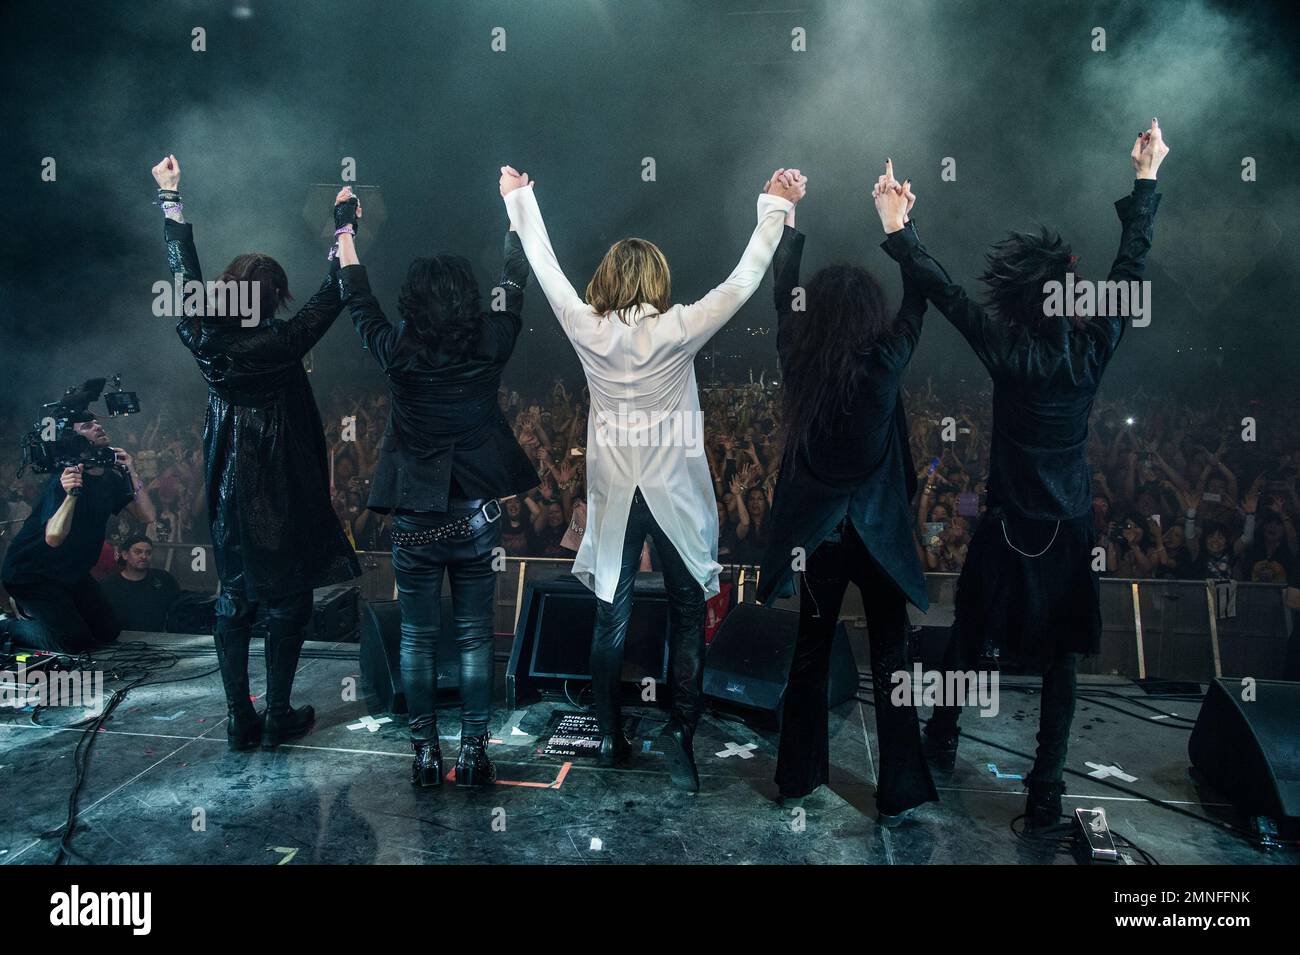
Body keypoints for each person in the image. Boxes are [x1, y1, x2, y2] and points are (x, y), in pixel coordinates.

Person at [878, 119, 1169, 829]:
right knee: (1062, 664)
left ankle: (942, 735)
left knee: (971, 635)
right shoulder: (1094, 346)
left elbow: (946, 294)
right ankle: (1044, 791)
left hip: (1008, 526)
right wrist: (1146, 179)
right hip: (1066, 528)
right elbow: (1130, 269)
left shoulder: (1007, 348)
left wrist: (899, 229)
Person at [501, 162, 804, 790]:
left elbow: (546, 267)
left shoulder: (587, 328)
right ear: (657, 280)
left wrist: (521, 199)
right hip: (673, 494)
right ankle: (682, 736)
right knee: (690, 615)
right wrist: (773, 206)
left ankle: (608, 733)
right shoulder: (678, 328)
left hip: (617, 497)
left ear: (609, 279)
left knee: (610, 615)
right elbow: (744, 279)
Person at [152, 155, 360, 751]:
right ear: (273, 298)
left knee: (235, 595)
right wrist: (343, 221)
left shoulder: (201, 333)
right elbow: (337, 291)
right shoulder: (286, 339)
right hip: (283, 484)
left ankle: (240, 716)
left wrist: (171, 199)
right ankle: (276, 713)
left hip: (228, 488)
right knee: (289, 596)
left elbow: (183, 276)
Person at [334, 186, 537, 788]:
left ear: (414, 303)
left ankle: (425, 755)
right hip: (476, 518)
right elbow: (515, 278)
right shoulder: (492, 342)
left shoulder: (397, 349)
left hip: (416, 521)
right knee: (475, 636)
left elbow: (356, 297)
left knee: (419, 637)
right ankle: (474, 753)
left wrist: (345, 227)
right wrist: (514, 210)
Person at [755, 169, 937, 824]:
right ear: (870, 313)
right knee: (892, 657)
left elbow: (783, 295)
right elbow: (921, 293)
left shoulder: (799, 360)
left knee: (810, 650)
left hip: (819, 539)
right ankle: (900, 787)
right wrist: (897, 225)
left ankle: (799, 774)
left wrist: (786, 215)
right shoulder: (887, 360)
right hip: (879, 535)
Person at [2, 415, 155, 652]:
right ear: (76, 440)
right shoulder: (64, 478)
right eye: (87, 426)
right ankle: (8, 626)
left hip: (72, 573)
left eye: (97, 423)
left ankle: (46, 619)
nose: (98, 426)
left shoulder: (110, 478)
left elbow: (147, 515)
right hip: (32, 574)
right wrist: (72, 494)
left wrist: (131, 471)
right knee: (73, 642)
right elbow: (53, 537)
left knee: (108, 632)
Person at [100, 534, 181, 632]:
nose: (144, 556)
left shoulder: (164, 579)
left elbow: (179, 609)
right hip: (118, 643)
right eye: (138, 552)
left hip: (157, 642)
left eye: (148, 553)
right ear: (125, 555)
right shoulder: (109, 585)